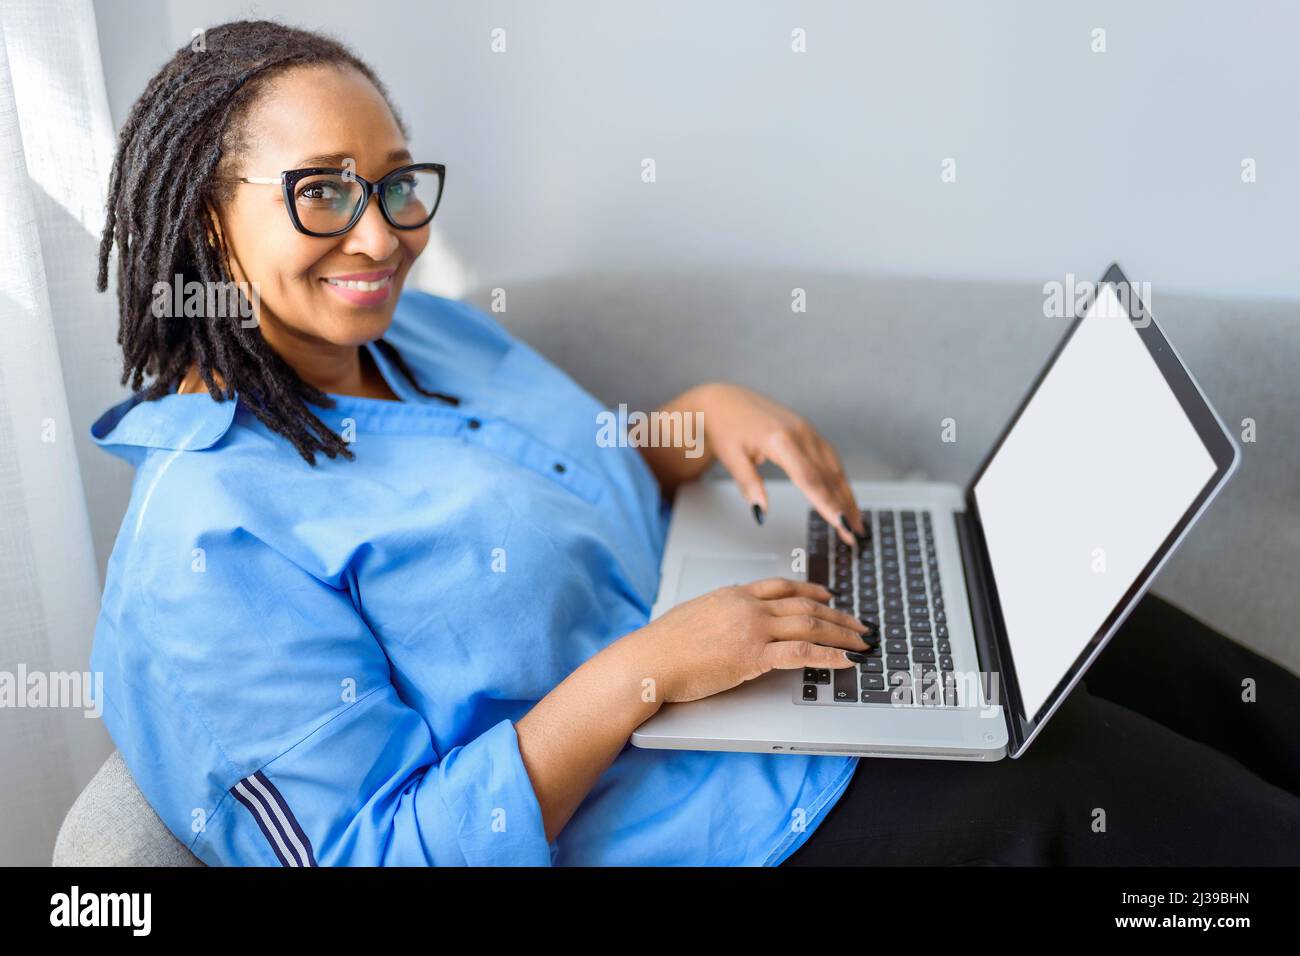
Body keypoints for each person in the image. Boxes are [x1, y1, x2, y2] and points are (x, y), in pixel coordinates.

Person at [90, 20, 1300, 867]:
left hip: (742, 657)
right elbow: (384, 855)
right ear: (204, 215)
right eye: (322, 193)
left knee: (1111, 630)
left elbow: (567, 469)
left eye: (400, 187)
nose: (380, 234)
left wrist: (690, 419)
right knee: (1119, 791)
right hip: (708, 822)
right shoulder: (204, 556)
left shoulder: (417, 337)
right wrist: (647, 672)